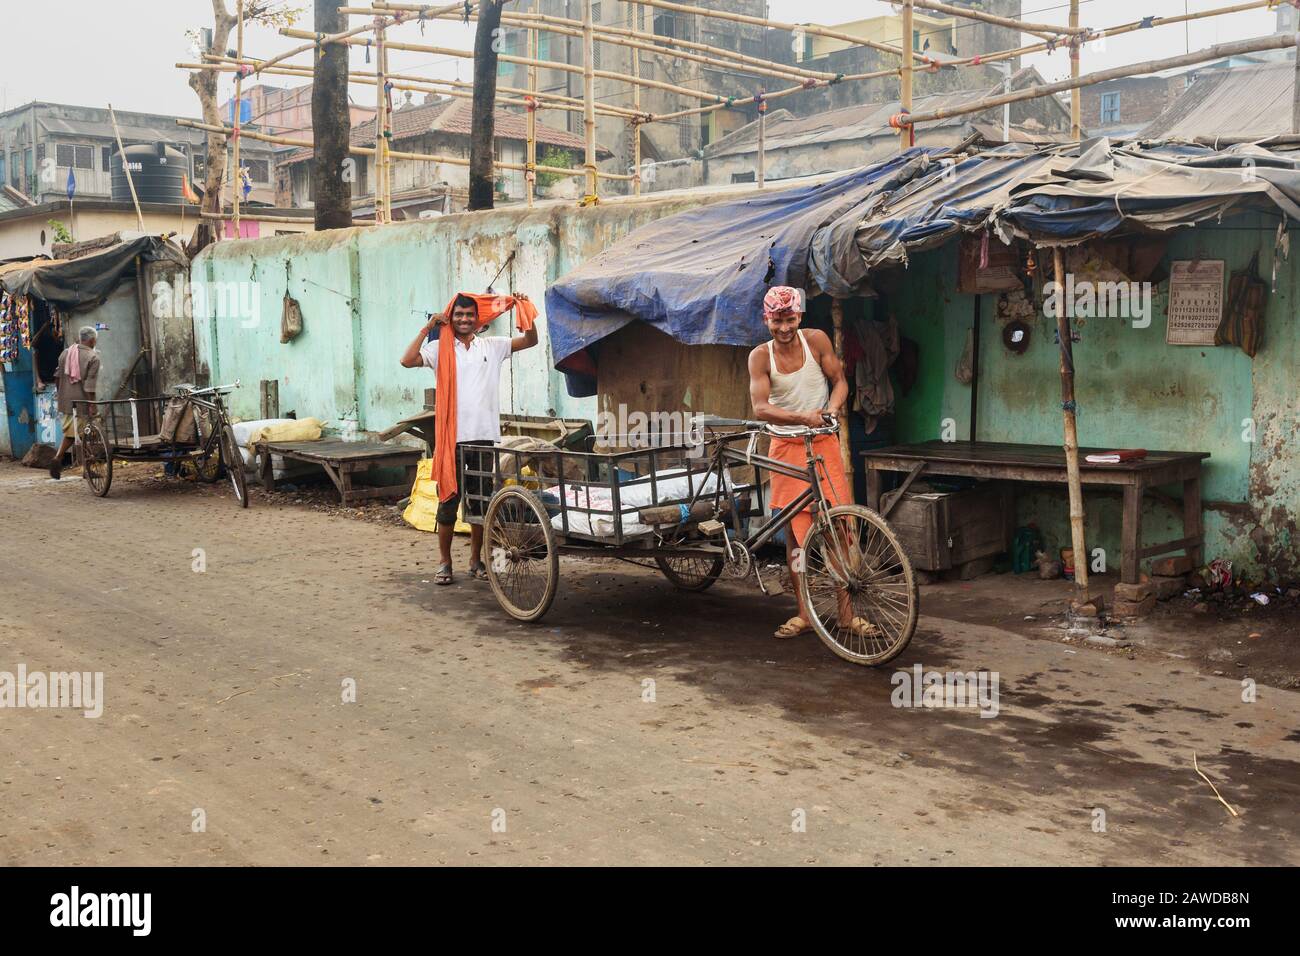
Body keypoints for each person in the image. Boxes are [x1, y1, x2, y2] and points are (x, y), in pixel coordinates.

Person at [400, 293, 538, 585]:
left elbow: (530, 341)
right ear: (451, 317)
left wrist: (525, 309)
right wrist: (428, 328)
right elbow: (407, 360)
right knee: (448, 503)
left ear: (478, 319)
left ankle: (477, 561)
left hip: (484, 437)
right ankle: (445, 563)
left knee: (481, 503)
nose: (464, 320)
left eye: (469, 315)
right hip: (452, 439)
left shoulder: (492, 346)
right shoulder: (439, 349)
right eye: (459, 315)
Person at [747, 286, 861, 639]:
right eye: (777, 320)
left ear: (800, 316)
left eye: (790, 319)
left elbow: (840, 382)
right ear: (767, 319)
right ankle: (804, 614)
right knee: (795, 540)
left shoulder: (817, 342)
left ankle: (847, 615)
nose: (784, 327)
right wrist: (801, 418)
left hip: (824, 443)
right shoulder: (759, 357)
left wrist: (831, 409)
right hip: (785, 448)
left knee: (838, 529)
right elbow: (761, 408)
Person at [49, 326, 101, 481]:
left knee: (71, 434)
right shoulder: (93, 357)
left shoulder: (66, 352)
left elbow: (57, 376)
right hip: (81, 403)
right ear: (92, 340)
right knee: (84, 435)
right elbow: (90, 386)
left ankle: (62, 460)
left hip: (65, 401)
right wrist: (93, 405)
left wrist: (60, 394)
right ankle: (82, 467)